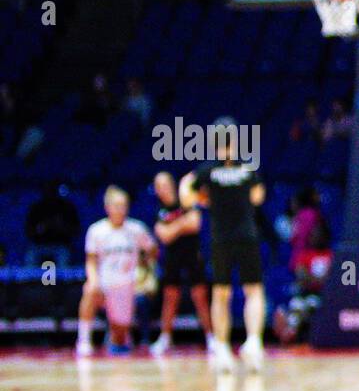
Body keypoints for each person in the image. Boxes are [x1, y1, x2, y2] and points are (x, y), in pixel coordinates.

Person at [179, 125, 266, 372]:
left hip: (221, 239)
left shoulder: (207, 170)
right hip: (247, 237)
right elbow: (258, 197)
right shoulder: (248, 167)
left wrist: (187, 184)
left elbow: (187, 201)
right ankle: (253, 343)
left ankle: (223, 349)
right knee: (253, 291)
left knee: (221, 294)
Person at [77, 186, 157, 356]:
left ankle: (120, 333)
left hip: (127, 287)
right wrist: (93, 280)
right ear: (107, 207)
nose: (121, 210)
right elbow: (90, 261)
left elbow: (152, 250)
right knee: (89, 290)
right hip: (105, 286)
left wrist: (145, 271)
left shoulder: (137, 229)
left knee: (120, 340)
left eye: (124, 205)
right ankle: (84, 339)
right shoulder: (96, 230)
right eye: (117, 206)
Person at [150, 171, 215, 357]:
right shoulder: (159, 209)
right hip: (172, 258)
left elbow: (195, 223)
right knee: (170, 296)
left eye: (165, 184)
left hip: (192, 255)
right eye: (158, 185)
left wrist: (172, 228)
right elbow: (164, 236)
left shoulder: (185, 201)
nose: (162, 189)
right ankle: (165, 337)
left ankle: (211, 337)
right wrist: (180, 225)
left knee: (200, 295)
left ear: (172, 184)